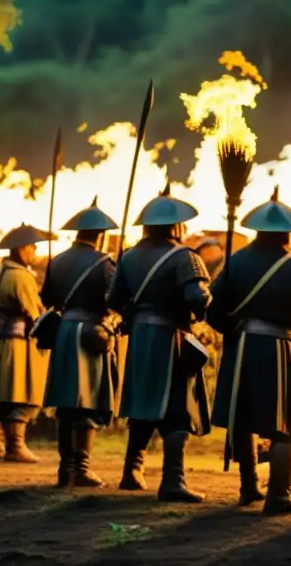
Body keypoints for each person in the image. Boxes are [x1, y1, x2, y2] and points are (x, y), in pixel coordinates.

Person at [208, 187, 291, 514]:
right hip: (282, 350)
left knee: (244, 418)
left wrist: (237, 331)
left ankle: (248, 486)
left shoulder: (233, 262)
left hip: (241, 349)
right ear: (288, 232)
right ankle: (278, 495)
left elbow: (214, 314)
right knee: (288, 423)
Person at [110, 185, 212, 502]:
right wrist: (204, 305)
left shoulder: (128, 257)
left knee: (144, 405)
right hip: (172, 338)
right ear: (176, 225)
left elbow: (114, 299)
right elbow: (197, 297)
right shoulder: (185, 258)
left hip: (141, 337)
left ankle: (132, 470)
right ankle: (173, 481)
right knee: (177, 409)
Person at [40, 197, 119, 487]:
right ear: (100, 234)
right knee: (88, 400)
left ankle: (65, 468)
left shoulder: (57, 260)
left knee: (67, 403)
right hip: (91, 333)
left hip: (64, 331)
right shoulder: (104, 263)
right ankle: (81, 469)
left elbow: (47, 299)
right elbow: (116, 299)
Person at [0, 223, 53, 463]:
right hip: (19, 342)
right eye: (32, 247)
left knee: (0, 393)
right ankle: (15, 445)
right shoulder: (20, 276)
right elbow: (34, 312)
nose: (34, 252)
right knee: (19, 391)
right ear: (22, 249)